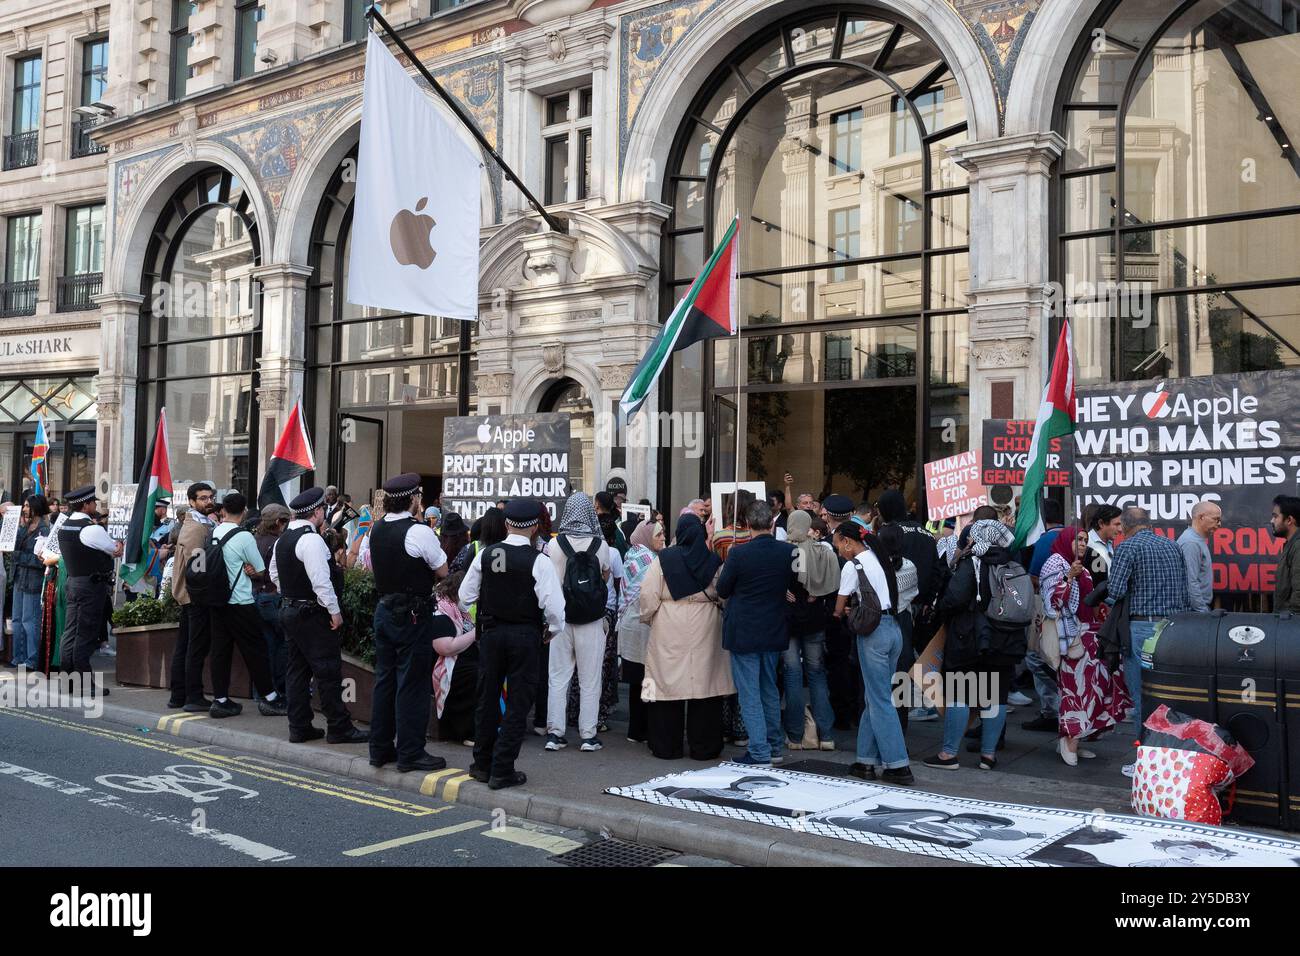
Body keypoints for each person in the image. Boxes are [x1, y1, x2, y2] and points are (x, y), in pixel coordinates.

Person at [459, 499, 566, 790]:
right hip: (524, 635)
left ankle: (481, 764)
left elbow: (465, 595)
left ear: (507, 525)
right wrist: (553, 630)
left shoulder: (487, 554)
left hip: (491, 633)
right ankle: (503, 768)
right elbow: (555, 608)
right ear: (534, 528)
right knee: (518, 701)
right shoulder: (539, 561)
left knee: (487, 697)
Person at [923, 510, 1028, 773]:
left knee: (959, 693)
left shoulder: (973, 562)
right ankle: (989, 755)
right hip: (1005, 639)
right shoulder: (1012, 562)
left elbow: (955, 598)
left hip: (969, 638)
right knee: (996, 696)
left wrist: (942, 608)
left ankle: (949, 754)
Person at [269, 487, 368, 746]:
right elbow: (321, 582)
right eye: (323, 509)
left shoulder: (284, 539)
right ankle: (339, 727)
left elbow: (274, 575)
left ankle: (299, 726)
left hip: (290, 610)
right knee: (327, 670)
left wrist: (290, 593)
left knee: (297, 670)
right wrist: (334, 612)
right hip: (312, 613)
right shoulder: (310, 540)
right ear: (317, 511)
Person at [364, 473, 449, 772]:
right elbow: (442, 569)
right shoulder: (418, 531)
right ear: (413, 499)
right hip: (412, 614)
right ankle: (410, 752)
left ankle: (380, 749)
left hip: (385, 610)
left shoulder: (377, 529)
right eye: (419, 497)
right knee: (411, 683)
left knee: (384, 680)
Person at [638, 513, 733, 760]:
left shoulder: (663, 560)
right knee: (705, 686)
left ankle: (666, 745)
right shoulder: (713, 560)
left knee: (666, 685)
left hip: (669, 624)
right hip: (706, 626)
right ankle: (705, 747)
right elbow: (723, 594)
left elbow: (648, 595)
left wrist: (650, 618)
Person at [716, 500, 798, 767]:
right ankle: (773, 746)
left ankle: (760, 751)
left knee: (750, 692)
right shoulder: (788, 552)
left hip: (745, 629)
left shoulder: (739, 554)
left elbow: (724, 589)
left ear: (748, 525)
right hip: (773, 627)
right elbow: (794, 586)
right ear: (773, 522)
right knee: (769, 690)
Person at [1040, 526, 1131, 766]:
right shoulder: (1055, 564)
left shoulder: (1082, 567)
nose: (1082, 544)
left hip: (1090, 635)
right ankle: (1069, 740)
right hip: (1070, 638)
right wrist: (1069, 577)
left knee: (1095, 689)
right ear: (1067, 540)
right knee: (1074, 692)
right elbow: (1052, 605)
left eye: (1084, 540)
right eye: (1078, 539)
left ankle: (1078, 738)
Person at [832, 521, 913, 784]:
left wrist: (843, 611)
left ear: (847, 541)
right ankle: (865, 760)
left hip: (873, 636)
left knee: (880, 701)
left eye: (839, 545)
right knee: (875, 697)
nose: (840, 551)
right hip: (894, 630)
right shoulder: (879, 559)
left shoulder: (852, 565)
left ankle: (898, 765)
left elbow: (838, 607)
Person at [1105, 505, 1190, 753]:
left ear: (1127, 526)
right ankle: (1170, 752)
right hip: (1174, 627)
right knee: (1169, 692)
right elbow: (1184, 590)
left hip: (1142, 626)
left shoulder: (1127, 547)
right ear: (1149, 523)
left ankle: (1145, 756)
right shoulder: (1172, 546)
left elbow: (1116, 591)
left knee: (1142, 694)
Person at [206, 492, 287, 718]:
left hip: (217, 600)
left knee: (220, 652)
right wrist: (250, 569)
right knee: (256, 651)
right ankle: (270, 698)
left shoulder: (214, 532)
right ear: (243, 512)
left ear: (223, 511)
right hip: (240, 601)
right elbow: (260, 569)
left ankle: (220, 700)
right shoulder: (243, 537)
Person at [546, 492, 612, 752]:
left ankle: (555, 733)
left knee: (558, 677)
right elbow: (606, 576)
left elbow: (551, 582)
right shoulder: (600, 545)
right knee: (590, 678)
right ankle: (588, 734)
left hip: (561, 620)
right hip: (592, 620)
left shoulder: (554, 545)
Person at [57, 486, 122, 697]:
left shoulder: (64, 526)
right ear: (85, 505)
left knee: (70, 633)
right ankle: (85, 683)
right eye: (93, 502)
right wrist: (118, 545)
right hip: (90, 586)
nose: (95, 505)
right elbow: (115, 550)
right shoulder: (91, 529)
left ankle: (66, 681)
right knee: (85, 635)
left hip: (73, 582)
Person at [782, 509, 839, 750]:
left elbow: (775, 580)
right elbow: (835, 583)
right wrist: (818, 593)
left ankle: (795, 736)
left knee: (793, 675)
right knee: (816, 674)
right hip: (815, 620)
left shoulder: (784, 552)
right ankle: (826, 735)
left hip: (790, 621)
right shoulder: (821, 551)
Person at [170, 482, 218, 712]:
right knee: (194, 647)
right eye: (203, 498)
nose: (209, 502)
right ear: (192, 501)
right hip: (195, 596)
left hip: (192, 595)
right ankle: (192, 696)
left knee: (186, 645)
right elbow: (196, 567)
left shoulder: (201, 523)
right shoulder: (197, 528)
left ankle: (179, 695)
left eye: (210, 497)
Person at [617, 519, 663, 744]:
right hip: (642, 626)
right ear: (646, 537)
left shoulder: (633, 554)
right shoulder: (649, 560)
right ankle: (645, 729)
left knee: (638, 682)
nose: (663, 538)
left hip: (631, 626)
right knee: (647, 680)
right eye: (658, 535)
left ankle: (636, 730)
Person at [432, 572, 477, 745]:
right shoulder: (441, 612)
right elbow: (446, 648)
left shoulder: (458, 610)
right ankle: (467, 731)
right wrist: (476, 633)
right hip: (451, 664)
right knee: (475, 675)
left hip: (465, 660)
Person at [253, 504, 291, 700]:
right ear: (278, 522)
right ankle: (280, 690)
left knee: (265, 646)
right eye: (285, 521)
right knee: (285, 643)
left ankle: (264, 693)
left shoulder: (255, 539)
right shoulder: (278, 543)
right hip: (272, 596)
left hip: (256, 596)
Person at [10, 496, 50, 669]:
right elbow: (13, 547)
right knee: (17, 620)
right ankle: (18, 657)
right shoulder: (24, 528)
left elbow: (39, 560)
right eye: (24, 506)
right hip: (19, 579)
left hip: (33, 582)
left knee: (30, 620)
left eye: (27, 506)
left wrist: (16, 556)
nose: (24, 509)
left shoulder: (44, 530)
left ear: (36, 508)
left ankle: (31, 660)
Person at [1178, 501, 1220, 613]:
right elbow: (1190, 582)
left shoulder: (1195, 540)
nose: (1219, 524)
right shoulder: (1191, 543)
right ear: (1201, 517)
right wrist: (1202, 611)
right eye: (1216, 519)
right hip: (1195, 611)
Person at [1272, 495, 1300, 613]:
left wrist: (1292, 624)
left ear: (1289, 520)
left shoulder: (1298, 546)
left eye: (1275, 516)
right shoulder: (1292, 544)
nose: (1272, 521)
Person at [1085, 504, 1123, 586]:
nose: (1120, 529)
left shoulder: (1110, 543)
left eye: (1121, 524)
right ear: (1101, 523)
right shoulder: (1086, 543)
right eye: (1116, 524)